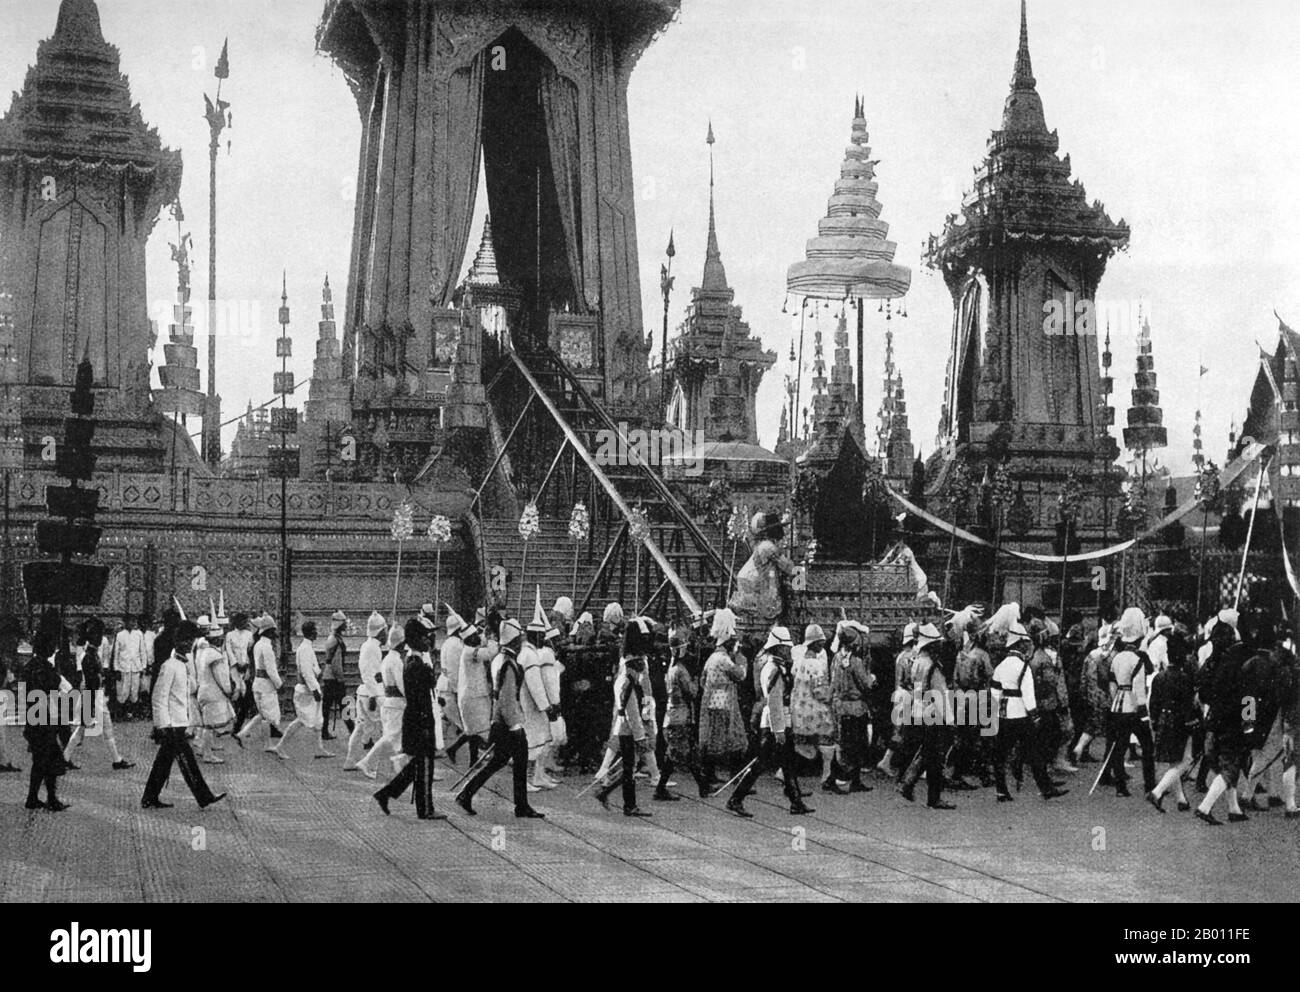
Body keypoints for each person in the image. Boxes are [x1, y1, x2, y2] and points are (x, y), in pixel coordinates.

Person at [456, 617, 544, 819]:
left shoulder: (502, 659)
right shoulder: (509, 663)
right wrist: (516, 726)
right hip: (507, 722)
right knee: (517, 762)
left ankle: (467, 794)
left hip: (500, 720)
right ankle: (520, 806)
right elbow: (506, 700)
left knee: (497, 762)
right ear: (514, 640)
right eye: (520, 638)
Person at [141, 620, 226, 811]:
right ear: (177, 642)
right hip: (171, 724)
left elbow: (191, 688)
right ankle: (204, 797)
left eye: (191, 640)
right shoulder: (169, 666)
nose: (189, 644)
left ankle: (149, 797)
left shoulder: (184, 664)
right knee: (187, 761)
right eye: (185, 641)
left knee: (163, 762)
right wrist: (162, 725)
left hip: (179, 721)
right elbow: (158, 697)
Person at [728, 627, 812, 818]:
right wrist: (779, 729)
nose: (787, 650)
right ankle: (736, 799)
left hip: (779, 720)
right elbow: (774, 700)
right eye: (785, 646)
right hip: (775, 723)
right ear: (778, 647)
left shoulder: (776, 665)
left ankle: (796, 802)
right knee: (761, 764)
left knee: (787, 763)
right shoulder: (773, 668)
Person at [374, 619, 446, 820]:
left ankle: (386, 793)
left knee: (416, 766)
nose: (429, 640)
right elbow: (418, 698)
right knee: (424, 767)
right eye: (426, 637)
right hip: (419, 721)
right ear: (416, 639)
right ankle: (425, 809)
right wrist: (424, 724)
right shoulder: (415, 664)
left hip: (418, 719)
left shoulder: (416, 661)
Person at [991, 622, 1068, 802]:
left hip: (1004, 714)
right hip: (1022, 714)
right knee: (1034, 753)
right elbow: (1028, 694)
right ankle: (1045, 787)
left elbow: (995, 692)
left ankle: (1001, 790)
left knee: (1001, 753)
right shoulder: (1023, 666)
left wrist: (997, 714)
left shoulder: (1000, 666)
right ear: (1019, 644)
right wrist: (1034, 715)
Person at [596, 618, 658, 816]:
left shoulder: (626, 679)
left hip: (625, 727)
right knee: (631, 766)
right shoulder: (628, 681)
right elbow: (632, 714)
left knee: (631, 766)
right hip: (629, 728)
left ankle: (609, 793)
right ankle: (626, 803)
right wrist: (641, 737)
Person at [63, 617, 134, 772]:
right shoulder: (90, 656)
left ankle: (65, 757)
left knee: (81, 730)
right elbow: (92, 681)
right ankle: (116, 760)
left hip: (92, 696)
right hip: (94, 697)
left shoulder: (91, 654)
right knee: (105, 729)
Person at [898, 623, 956, 810]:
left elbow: (914, 688)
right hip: (934, 714)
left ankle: (908, 782)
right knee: (936, 758)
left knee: (926, 752)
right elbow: (940, 695)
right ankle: (933, 797)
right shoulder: (932, 666)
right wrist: (951, 720)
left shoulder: (916, 663)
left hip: (919, 710)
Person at [1103, 608, 1156, 799]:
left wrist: (1117, 700)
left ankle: (1120, 787)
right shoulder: (1139, 658)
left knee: (1120, 745)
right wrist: (1142, 713)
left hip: (1117, 703)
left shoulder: (1116, 657)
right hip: (1133, 705)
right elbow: (1139, 690)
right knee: (1148, 747)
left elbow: (1111, 683)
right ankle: (1150, 785)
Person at [1146, 630, 1199, 812]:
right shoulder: (1184, 679)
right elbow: (1188, 706)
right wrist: (1193, 722)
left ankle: (1181, 799)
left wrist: (1154, 720)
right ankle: (1157, 791)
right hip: (1179, 722)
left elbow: (1153, 702)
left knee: (1174, 762)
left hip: (1162, 719)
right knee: (1186, 760)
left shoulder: (1159, 677)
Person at [697, 608, 748, 788]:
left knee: (714, 740)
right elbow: (740, 675)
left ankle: (710, 774)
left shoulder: (712, 658)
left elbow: (703, 680)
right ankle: (735, 777)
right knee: (734, 739)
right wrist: (741, 659)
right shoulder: (725, 660)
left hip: (713, 701)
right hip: (725, 703)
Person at [23, 619, 69, 811]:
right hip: (43, 720)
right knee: (48, 761)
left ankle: (36, 798)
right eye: (52, 647)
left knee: (41, 761)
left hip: (34, 719)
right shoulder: (45, 669)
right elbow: (57, 686)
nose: (54, 649)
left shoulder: (30, 666)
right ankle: (49, 799)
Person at [273, 621, 335, 760]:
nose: (317, 633)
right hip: (306, 690)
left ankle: (319, 748)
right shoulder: (305, 649)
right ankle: (280, 746)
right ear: (311, 632)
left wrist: (318, 673)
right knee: (301, 720)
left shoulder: (307, 647)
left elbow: (311, 670)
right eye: (315, 630)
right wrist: (315, 690)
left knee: (318, 719)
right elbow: (306, 672)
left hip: (310, 688)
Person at [791, 623, 840, 794]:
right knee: (827, 742)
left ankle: (784, 773)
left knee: (804, 744)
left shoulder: (799, 662)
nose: (822, 645)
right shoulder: (816, 665)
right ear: (814, 643)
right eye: (820, 642)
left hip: (800, 709)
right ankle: (827, 776)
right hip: (816, 710)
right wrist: (831, 695)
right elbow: (819, 691)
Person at [355, 624, 408, 779]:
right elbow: (401, 685)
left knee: (396, 737)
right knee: (390, 737)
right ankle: (366, 762)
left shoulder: (389, 658)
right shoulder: (395, 661)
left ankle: (398, 766)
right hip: (395, 702)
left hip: (393, 702)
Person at [660, 625, 707, 798]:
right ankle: (702, 785)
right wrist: (696, 678)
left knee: (675, 755)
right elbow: (692, 691)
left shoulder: (671, 669)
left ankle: (661, 788)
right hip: (680, 716)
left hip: (673, 716)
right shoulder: (680, 671)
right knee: (686, 754)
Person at [829, 620, 874, 793]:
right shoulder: (855, 662)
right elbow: (866, 684)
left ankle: (835, 778)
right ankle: (849, 779)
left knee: (843, 743)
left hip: (840, 705)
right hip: (856, 707)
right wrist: (872, 678)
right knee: (857, 745)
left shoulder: (836, 658)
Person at [521, 591, 559, 791]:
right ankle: (529, 778)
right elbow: (536, 685)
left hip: (536, 706)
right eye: (541, 635)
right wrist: (547, 705)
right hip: (532, 706)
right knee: (532, 744)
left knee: (542, 741)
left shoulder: (532, 654)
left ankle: (538, 775)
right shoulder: (529, 656)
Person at [235, 615, 284, 750]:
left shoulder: (258, 644)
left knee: (262, 714)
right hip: (266, 685)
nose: (275, 632)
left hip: (258, 683)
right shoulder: (267, 647)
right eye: (273, 630)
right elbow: (271, 670)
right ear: (268, 631)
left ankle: (243, 733)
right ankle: (267, 744)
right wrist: (279, 684)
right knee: (268, 717)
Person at [345, 612, 387, 770]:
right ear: (380, 632)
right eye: (385, 631)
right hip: (372, 692)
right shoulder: (372, 648)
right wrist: (373, 695)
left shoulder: (369, 645)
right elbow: (369, 674)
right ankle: (369, 762)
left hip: (366, 690)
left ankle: (350, 759)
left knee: (360, 727)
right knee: (388, 727)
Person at [877, 622, 918, 776]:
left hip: (899, 695)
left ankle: (887, 760)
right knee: (910, 732)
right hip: (910, 695)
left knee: (900, 730)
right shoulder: (913, 656)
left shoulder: (901, 656)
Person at [194, 617, 236, 764]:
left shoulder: (204, 651)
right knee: (209, 725)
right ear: (217, 639)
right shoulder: (215, 655)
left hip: (204, 689)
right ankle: (207, 753)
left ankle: (206, 747)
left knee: (208, 723)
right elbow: (221, 677)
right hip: (213, 692)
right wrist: (229, 690)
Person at [456, 611, 495, 766]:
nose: (478, 638)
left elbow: (481, 642)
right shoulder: (469, 652)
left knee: (473, 731)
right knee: (480, 729)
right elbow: (491, 652)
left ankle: (473, 759)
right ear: (469, 639)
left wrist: (484, 634)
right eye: (475, 637)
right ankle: (476, 757)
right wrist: (491, 637)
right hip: (473, 696)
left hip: (474, 695)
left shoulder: (470, 648)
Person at [439, 607, 469, 761]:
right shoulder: (456, 645)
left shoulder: (448, 643)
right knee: (465, 724)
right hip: (450, 688)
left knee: (446, 718)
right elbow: (454, 671)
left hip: (445, 686)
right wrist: (459, 691)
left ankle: (437, 747)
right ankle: (453, 749)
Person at [112, 613, 147, 722]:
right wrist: (116, 668)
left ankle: (132, 713)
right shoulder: (120, 635)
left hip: (136, 667)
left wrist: (143, 666)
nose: (133, 623)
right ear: (125, 622)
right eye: (131, 621)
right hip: (124, 667)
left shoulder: (139, 634)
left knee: (134, 691)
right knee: (123, 692)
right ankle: (120, 714)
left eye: (134, 621)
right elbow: (116, 653)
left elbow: (142, 651)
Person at [320, 611, 349, 742]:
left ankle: (324, 730)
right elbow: (336, 663)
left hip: (328, 676)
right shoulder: (335, 640)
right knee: (345, 704)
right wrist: (341, 679)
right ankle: (353, 729)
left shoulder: (333, 638)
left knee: (327, 706)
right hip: (334, 678)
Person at [225, 613, 254, 733]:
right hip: (234, 669)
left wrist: (247, 665)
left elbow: (250, 650)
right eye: (242, 621)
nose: (245, 624)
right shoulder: (230, 635)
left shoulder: (249, 634)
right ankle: (234, 722)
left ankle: (240, 725)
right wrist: (235, 664)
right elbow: (229, 651)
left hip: (245, 667)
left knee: (245, 694)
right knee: (236, 693)